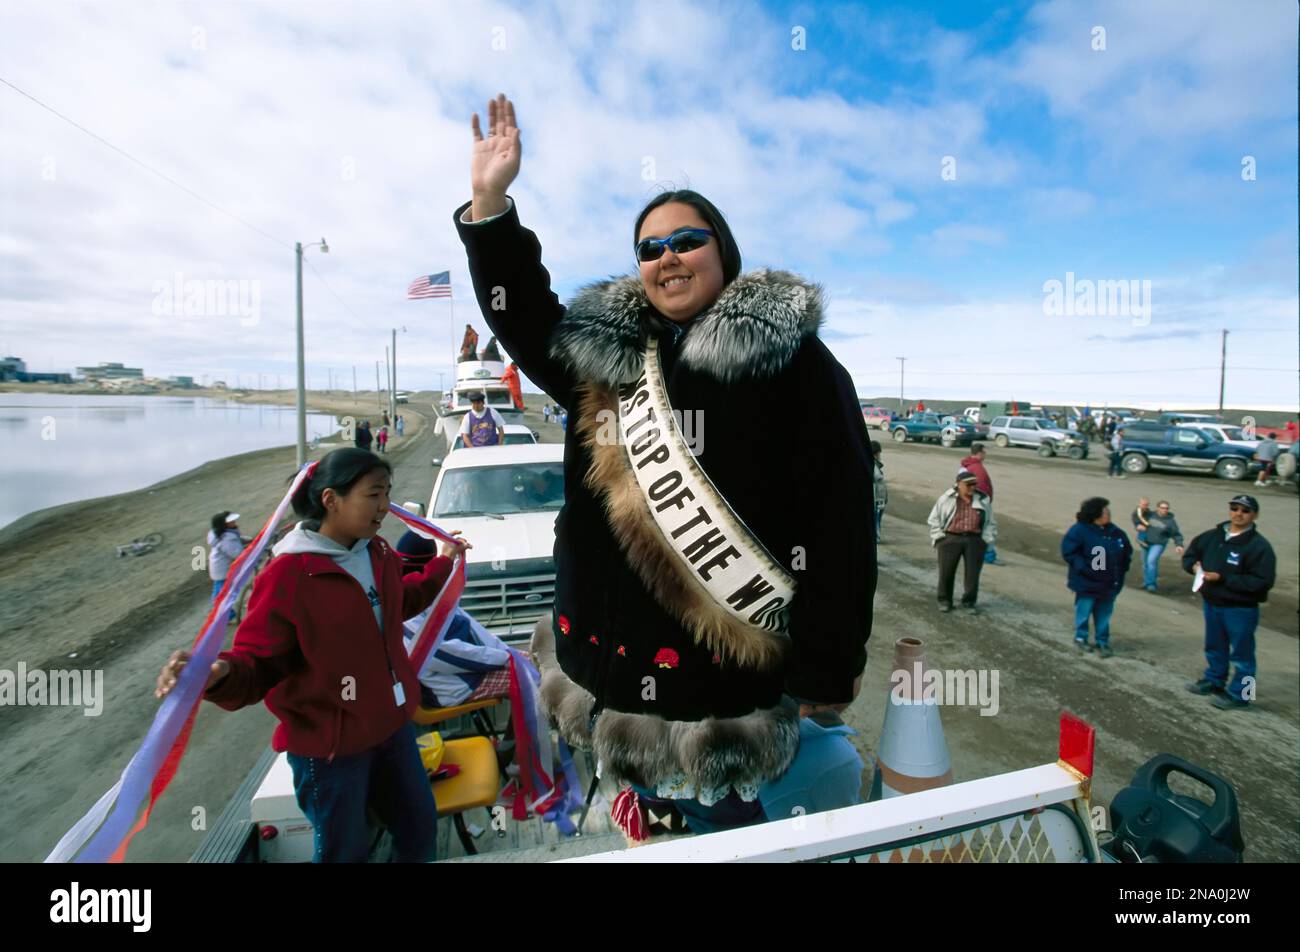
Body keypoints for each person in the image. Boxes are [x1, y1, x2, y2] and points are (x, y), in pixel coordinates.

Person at [452, 93, 875, 834]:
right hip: (608, 675)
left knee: (729, 833)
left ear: (724, 252)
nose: (667, 256)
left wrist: (824, 672)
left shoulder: (797, 366)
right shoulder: (608, 358)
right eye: (650, 248)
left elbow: (841, 529)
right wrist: (491, 203)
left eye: (686, 239)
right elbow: (520, 313)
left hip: (724, 696)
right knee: (645, 822)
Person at [157, 449, 472, 861]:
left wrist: (443, 563)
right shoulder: (289, 574)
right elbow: (257, 662)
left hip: (392, 730)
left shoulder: (374, 552)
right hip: (331, 751)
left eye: (387, 493)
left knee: (418, 830)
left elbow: (401, 600)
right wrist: (217, 672)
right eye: (374, 494)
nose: (385, 507)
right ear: (330, 499)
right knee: (344, 853)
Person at [1182, 494, 1276, 710]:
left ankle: (1243, 695)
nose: (1238, 514)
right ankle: (1214, 680)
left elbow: (1263, 582)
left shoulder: (1259, 546)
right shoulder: (1212, 536)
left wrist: (1223, 579)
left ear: (1254, 515)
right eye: (1234, 508)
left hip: (1240, 608)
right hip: (1213, 603)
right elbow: (1190, 556)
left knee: (1243, 655)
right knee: (1214, 646)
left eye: (1245, 510)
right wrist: (1194, 567)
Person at [1060, 496, 1132, 658]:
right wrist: (1084, 569)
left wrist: (1121, 569)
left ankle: (1102, 641)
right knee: (1084, 611)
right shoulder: (1080, 530)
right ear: (1095, 514)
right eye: (1105, 511)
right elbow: (1069, 552)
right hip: (1087, 583)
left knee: (1104, 614)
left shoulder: (1116, 532)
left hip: (1109, 583)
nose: (1108, 514)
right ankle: (1081, 637)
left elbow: (1126, 552)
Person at [926, 470, 996, 614]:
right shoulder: (946, 499)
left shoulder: (983, 500)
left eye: (974, 484)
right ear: (958, 484)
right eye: (968, 484)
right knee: (947, 572)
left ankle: (969, 602)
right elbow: (934, 519)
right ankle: (944, 600)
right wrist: (939, 538)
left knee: (973, 574)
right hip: (950, 538)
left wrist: (986, 539)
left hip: (975, 540)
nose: (972, 488)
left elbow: (990, 522)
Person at [959, 442, 1000, 565]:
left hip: (973, 501)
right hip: (980, 503)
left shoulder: (967, 465)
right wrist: (983, 502)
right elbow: (979, 488)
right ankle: (988, 555)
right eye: (984, 452)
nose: (986, 454)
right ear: (980, 453)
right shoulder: (977, 468)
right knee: (988, 528)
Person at [1141, 500, 1184, 592]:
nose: (1165, 510)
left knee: (1151, 561)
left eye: (1167, 508)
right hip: (1145, 543)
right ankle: (1146, 582)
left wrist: (1179, 545)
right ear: (1157, 508)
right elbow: (1138, 516)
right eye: (1163, 508)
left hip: (1158, 544)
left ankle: (1151, 584)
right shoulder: (1150, 515)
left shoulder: (1170, 521)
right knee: (1146, 564)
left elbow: (1176, 534)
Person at [207, 511, 247, 603]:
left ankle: (223, 611)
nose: (234, 522)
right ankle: (223, 613)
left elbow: (237, 540)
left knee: (220, 591)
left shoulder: (223, 534)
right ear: (224, 524)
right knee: (221, 594)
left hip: (219, 566)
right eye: (231, 521)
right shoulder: (226, 538)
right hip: (222, 568)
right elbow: (236, 553)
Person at [871, 440, 887, 543]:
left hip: (879, 499)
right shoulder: (873, 466)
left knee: (877, 520)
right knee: (876, 520)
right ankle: (875, 538)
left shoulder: (875, 465)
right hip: (877, 499)